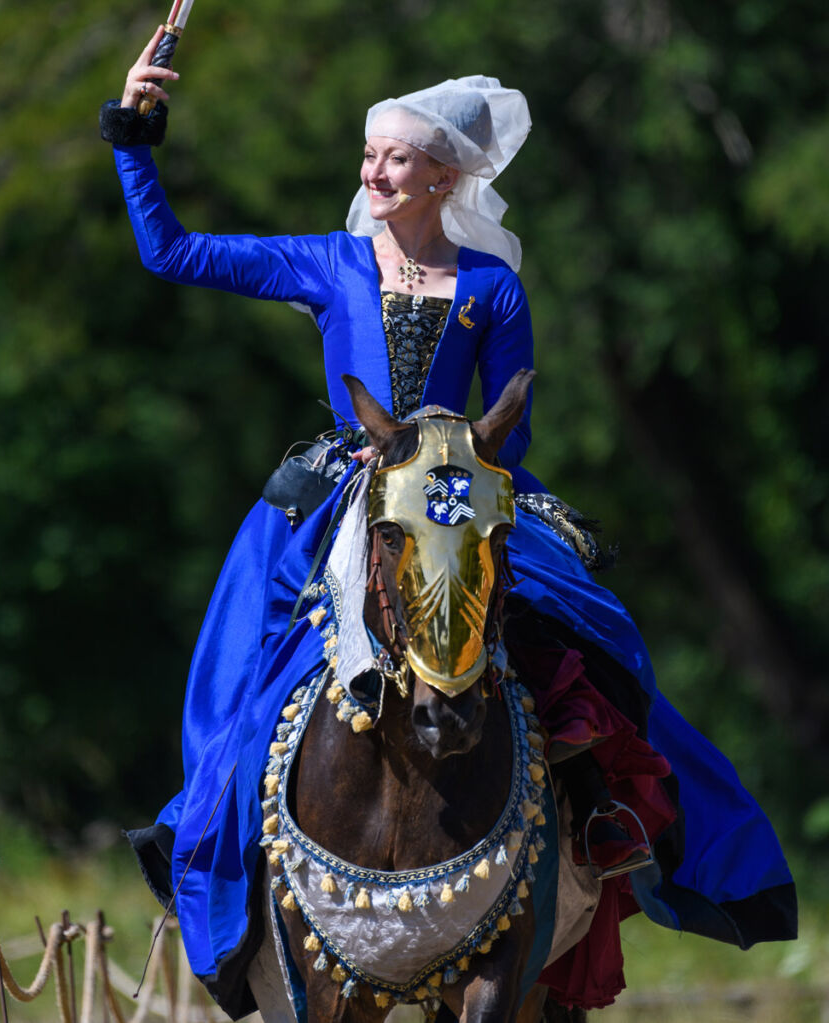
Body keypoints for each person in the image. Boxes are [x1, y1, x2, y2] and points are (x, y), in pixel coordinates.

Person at [102, 31, 796, 1017]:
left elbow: (510, 430)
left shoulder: (492, 286)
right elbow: (168, 252)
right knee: (256, 649)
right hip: (355, 482)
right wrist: (135, 135)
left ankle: (598, 811)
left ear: (444, 174)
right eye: (371, 153)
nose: (374, 171)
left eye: (396, 157)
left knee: (581, 627)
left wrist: (502, 497)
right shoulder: (328, 262)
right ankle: (220, 823)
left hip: (460, 484)